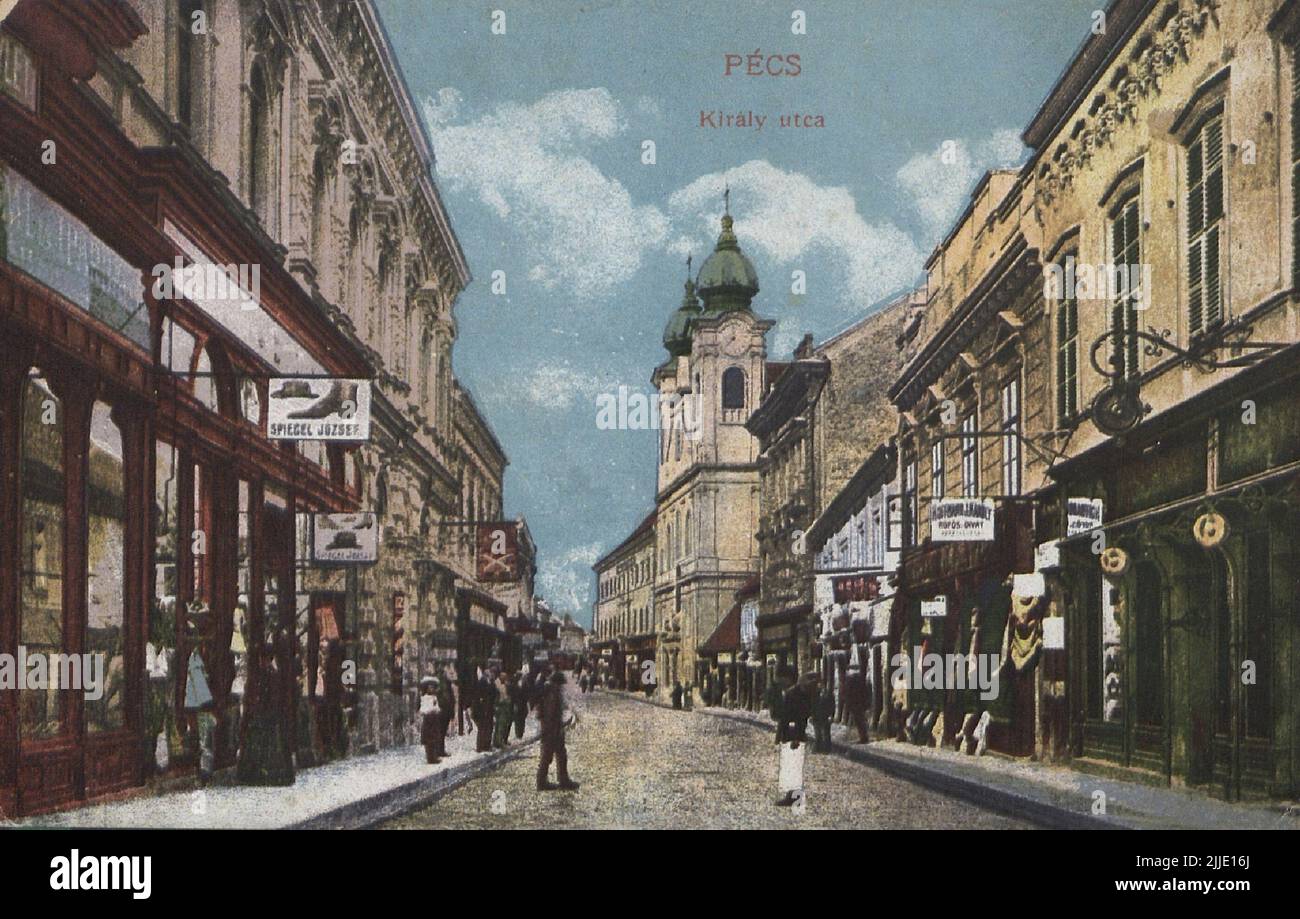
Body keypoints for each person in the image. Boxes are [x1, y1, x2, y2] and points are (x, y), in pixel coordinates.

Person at [775, 672, 817, 806]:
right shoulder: (793, 694)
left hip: (796, 734)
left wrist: (798, 738)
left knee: (795, 766)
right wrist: (780, 735)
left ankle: (794, 797)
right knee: (789, 766)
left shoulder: (805, 695)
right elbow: (785, 716)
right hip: (790, 733)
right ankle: (792, 796)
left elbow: (802, 718)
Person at [536, 670, 579, 791]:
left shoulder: (552, 692)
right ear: (556, 683)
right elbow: (550, 714)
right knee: (547, 756)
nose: (561, 687)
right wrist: (554, 729)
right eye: (560, 684)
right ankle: (542, 782)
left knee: (560, 755)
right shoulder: (552, 694)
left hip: (554, 728)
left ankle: (562, 779)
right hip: (552, 730)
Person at [843, 664, 871, 744]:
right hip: (860, 703)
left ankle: (863, 737)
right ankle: (863, 736)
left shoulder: (850, 680)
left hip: (854, 703)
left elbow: (847, 693)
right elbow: (866, 691)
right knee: (861, 720)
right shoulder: (861, 679)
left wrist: (847, 703)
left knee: (859, 721)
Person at [419, 676, 444, 764]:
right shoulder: (425, 698)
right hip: (428, 720)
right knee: (429, 740)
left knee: (435, 738)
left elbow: (437, 707)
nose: (431, 689)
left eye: (433, 687)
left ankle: (434, 756)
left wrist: (437, 709)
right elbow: (422, 710)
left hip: (434, 719)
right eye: (430, 687)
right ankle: (430, 758)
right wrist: (431, 710)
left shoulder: (434, 697)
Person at [472, 668, 495, 753]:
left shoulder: (489, 682)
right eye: (491, 673)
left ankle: (486, 745)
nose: (492, 675)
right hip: (483, 709)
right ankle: (481, 746)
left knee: (488, 727)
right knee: (483, 728)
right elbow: (480, 697)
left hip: (488, 709)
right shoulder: (482, 682)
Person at [492, 670, 513, 749]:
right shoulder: (497, 684)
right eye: (504, 677)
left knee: (503, 725)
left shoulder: (504, 685)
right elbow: (497, 696)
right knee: (499, 725)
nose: (505, 679)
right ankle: (498, 741)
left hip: (504, 706)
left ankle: (500, 740)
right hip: (500, 706)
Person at [812, 680, 834, 753]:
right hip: (816, 716)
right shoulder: (815, 694)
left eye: (821, 685)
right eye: (818, 685)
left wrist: (831, 715)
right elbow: (813, 705)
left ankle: (827, 750)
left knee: (826, 734)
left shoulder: (829, 695)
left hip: (825, 716)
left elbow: (832, 706)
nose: (820, 686)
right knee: (817, 733)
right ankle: (817, 749)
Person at [510, 673, 527, 739]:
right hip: (517, 704)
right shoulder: (514, 685)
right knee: (518, 719)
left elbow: (526, 693)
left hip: (523, 704)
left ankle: (521, 733)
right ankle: (518, 733)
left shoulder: (525, 684)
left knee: (522, 719)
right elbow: (513, 695)